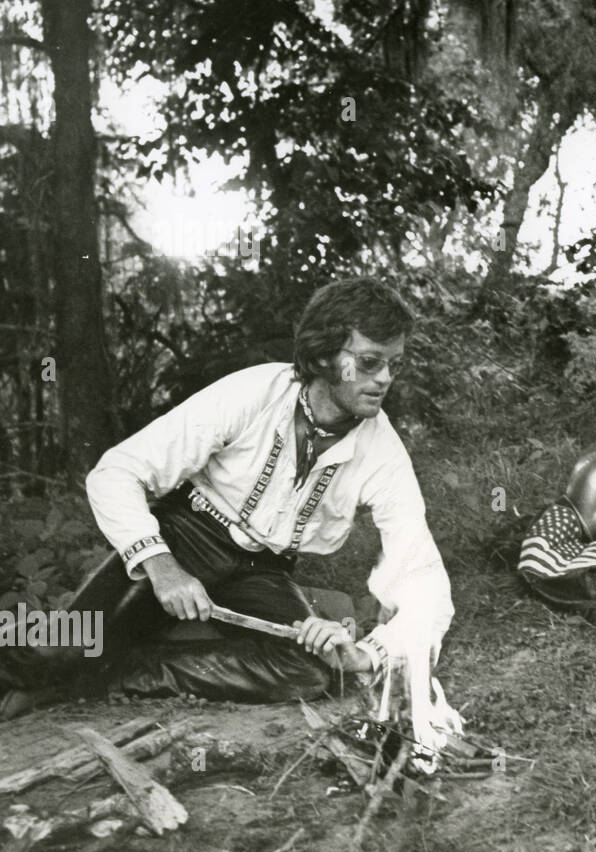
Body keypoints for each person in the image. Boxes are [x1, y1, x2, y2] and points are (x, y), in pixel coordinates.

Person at [0, 277, 453, 717]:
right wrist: (162, 568)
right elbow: (116, 472)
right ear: (322, 356)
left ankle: (105, 675)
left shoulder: (383, 450)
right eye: (370, 362)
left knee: (311, 671)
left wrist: (369, 653)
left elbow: (424, 576)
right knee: (57, 647)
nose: (385, 379)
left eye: (395, 364)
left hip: (263, 571)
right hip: (184, 536)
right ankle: (68, 662)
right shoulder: (255, 392)